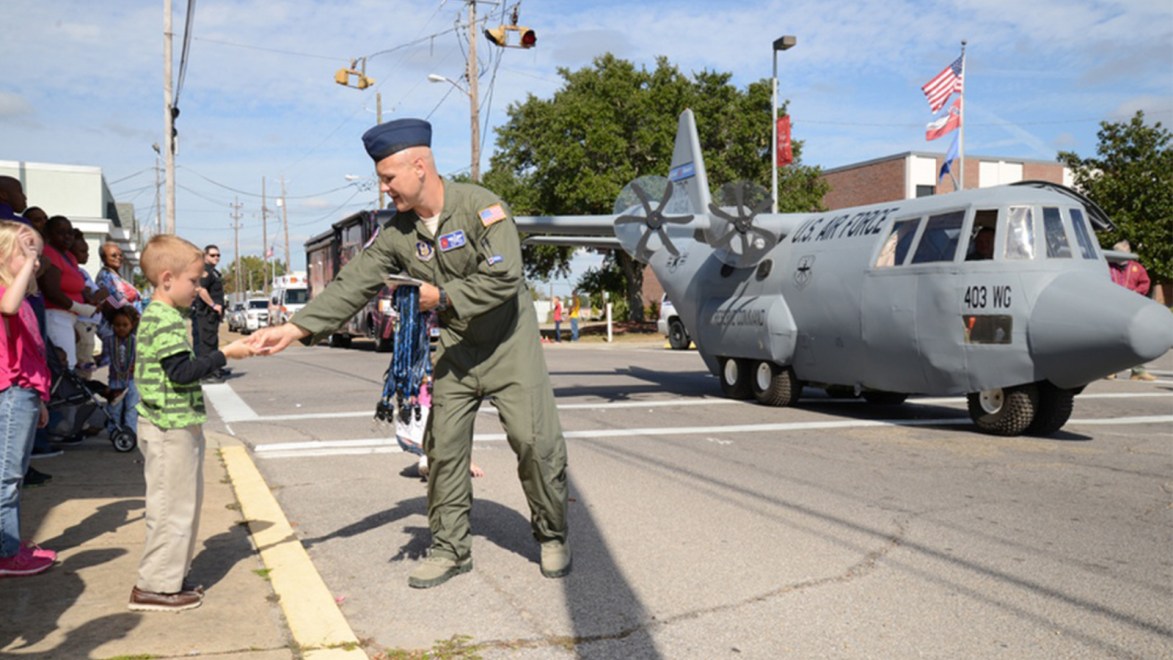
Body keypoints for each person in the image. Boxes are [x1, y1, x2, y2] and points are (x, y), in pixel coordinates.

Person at [248, 118, 570, 588]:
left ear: (419, 166)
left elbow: (505, 278)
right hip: (458, 350)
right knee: (442, 451)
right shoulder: (398, 233)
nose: (385, 190)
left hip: (509, 345)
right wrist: (296, 328)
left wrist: (442, 298)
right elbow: (353, 283)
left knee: (534, 444)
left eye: (388, 178)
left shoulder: (483, 208)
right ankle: (450, 548)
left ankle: (553, 534)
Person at [129, 234, 254, 611]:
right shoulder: (164, 319)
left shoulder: (164, 314)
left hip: (172, 424)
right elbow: (182, 371)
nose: (198, 287)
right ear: (167, 279)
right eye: (194, 281)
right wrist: (225, 353)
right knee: (172, 507)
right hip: (169, 428)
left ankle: (168, 577)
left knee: (178, 504)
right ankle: (155, 586)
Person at [0, 221, 56, 577]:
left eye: (38, 254)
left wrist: (41, 400)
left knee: (13, 475)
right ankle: (6, 554)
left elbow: (33, 354)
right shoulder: (9, 297)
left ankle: (9, 544)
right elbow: (7, 306)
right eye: (27, 253)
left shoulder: (24, 300)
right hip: (13, 393)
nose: (36, 262)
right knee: (6, 476)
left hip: (25, 393)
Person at [36, 216, 98, 369]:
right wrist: (80, 308)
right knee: (65, 366)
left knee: (71, 363)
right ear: (49, 234)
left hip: (70, 317)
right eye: (61, 232)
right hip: (55, 316)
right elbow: (51, 291)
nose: (67, 237)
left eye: (70, 232)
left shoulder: (69, 256)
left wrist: (88, 299)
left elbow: (78, 285)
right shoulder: (49, 253)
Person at [1107, 240, 1156, 381]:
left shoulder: (1137, 268)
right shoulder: (1108, 267)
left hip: (1132, 307)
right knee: (1113, 339)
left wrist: (1136, 291)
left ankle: (1138, 371)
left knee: (1136, 337)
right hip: (1113, 307)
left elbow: (1145, 283)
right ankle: (1110, 370)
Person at [95, 241, 143, 365]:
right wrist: (131, 315)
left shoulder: (116, 276)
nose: (119, 258)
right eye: (113, 255)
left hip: (130, 328)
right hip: (120, 330)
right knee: (120, 368)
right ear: (103, 258)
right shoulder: (105, 277)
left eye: (120, 255)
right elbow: (109, 301)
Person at [69, 229, 104, 377]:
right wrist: (95, 296)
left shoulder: (83, 272)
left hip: (90, 326)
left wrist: (96, 296)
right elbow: (91, 297)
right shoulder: (74, 274)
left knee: (87, 362)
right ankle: (80, 396)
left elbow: (102, 294)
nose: (87, 255)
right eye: (82, 251)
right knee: (83, 364)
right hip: (82, 325)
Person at [192, 245, 226, 383]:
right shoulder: (205, 271)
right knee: (206, 343)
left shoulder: (213, 271)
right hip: (206, 313)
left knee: (212, 341)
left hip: (210, 315)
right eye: (212, 255)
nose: (216, 257)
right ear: (205, 256)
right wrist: (213, 305)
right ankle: (206, 374)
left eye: (218, 255)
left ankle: (214, 368)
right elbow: (201, 289)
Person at [105, 306, 139, 435]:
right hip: (115, 380)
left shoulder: (136, 341)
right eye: (117, 325)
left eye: (125, 325)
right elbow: (106, 358)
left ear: (132, 325)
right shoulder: (109, 340)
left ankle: (130, 431)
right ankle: (113, 432)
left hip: (132, 381)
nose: (121, 328)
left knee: (132, 406)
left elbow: (142, 357)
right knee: (114, 407)